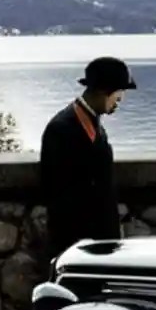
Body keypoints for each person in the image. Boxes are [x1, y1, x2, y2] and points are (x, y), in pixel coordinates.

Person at [39, 56, 136, 261]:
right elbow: (58, 194)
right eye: (117, 97)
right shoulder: (63, 129)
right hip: (77, 246)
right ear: (103, 91)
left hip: (94, 244)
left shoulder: (91, 123)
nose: (119, 103)